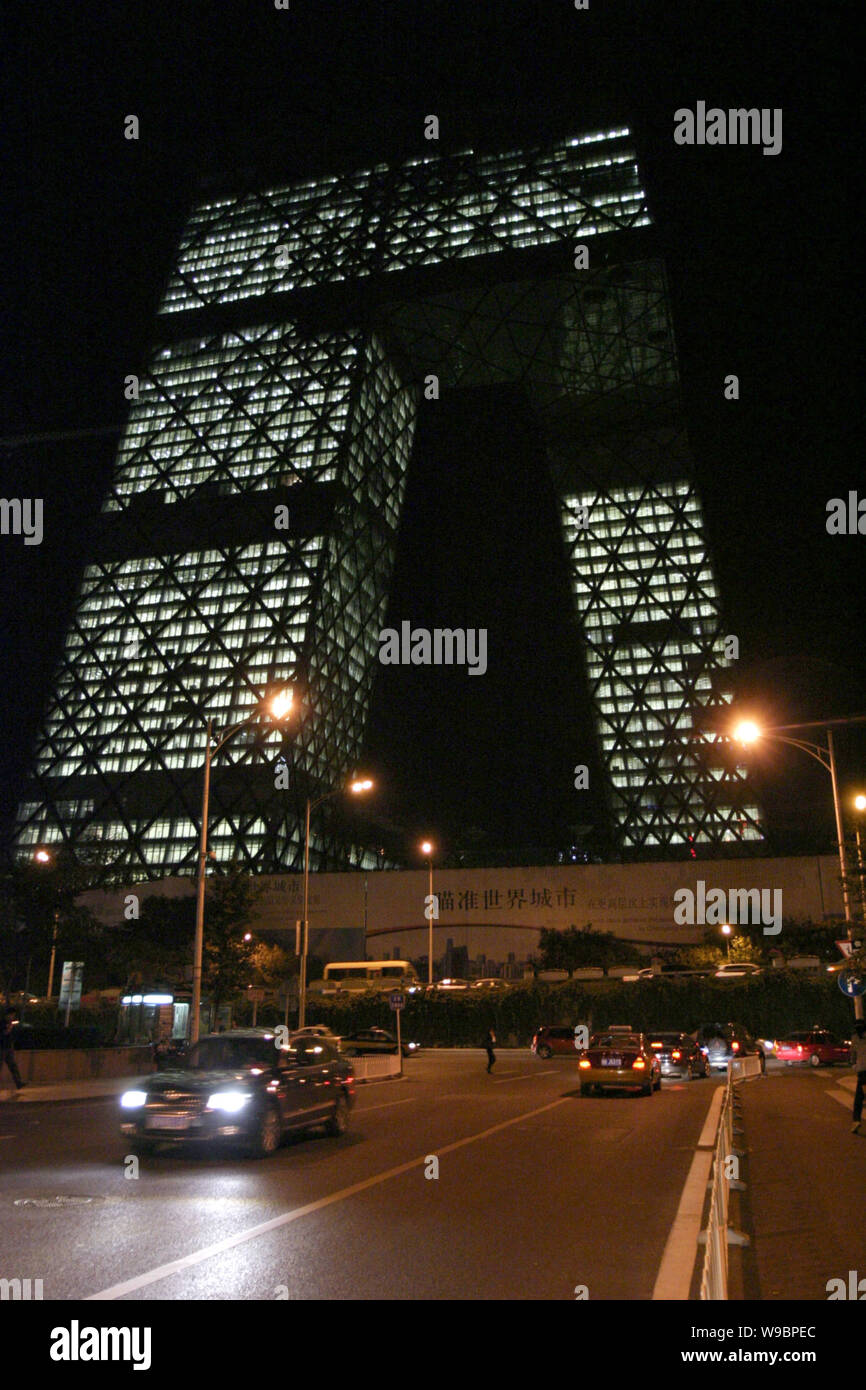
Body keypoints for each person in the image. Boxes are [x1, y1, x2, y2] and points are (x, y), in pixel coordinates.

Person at [0, 1007, 26, 1094]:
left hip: (8, 1048)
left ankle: (19, 1083)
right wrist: (9, 1028)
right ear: (7, 1015)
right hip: (2, 1048)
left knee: (13, 1066)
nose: (12, 1017)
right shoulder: (2, 1023)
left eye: (13, 1015)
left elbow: (11, 1035)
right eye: (12, 1015)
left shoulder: (9, 1023)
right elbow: (4, 1033)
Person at [851, 1019, 866, 1134]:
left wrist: (854, 1065)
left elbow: (853, 1054)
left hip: (862, 1071)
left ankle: (856, 1120)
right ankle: (856, 1120)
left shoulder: (855, 1038)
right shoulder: (856, 1038)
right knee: (860, 1097)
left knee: (859, 1098)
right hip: (862, 1070)